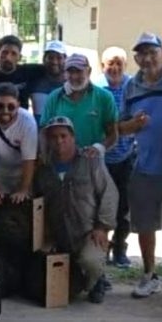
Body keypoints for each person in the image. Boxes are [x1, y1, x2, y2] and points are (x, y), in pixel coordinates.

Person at [119, 32, 162, 298]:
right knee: (145, 225)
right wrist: (131, 126)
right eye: (142, 54)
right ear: (136, 58)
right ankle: (149, 275)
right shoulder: (131, 87)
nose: (147, 59)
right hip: (145, 166)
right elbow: (119, 127)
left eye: (152, 52)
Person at [35, 116, 118, 304]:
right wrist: (43, 235)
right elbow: (37, 204)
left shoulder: (91, 161)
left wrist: (102, 227)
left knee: (90, 261)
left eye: (64, 135)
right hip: (58, 235)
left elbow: (109, 194)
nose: (59, 141)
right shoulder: (44, 169)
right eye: (54, 136)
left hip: (88, 233)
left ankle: (96, 280)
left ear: (73, 137)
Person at [95, 46, 134, 268]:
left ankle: (120, 248)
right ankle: (101, 251)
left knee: (123, 208)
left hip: (126, 156)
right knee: (100, 207)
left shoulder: (132, 87)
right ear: (103, 66)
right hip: (101, 159)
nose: (115, 67)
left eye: (119, 63)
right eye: (111, 63)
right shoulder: (97, 88)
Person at [40, 53, 118, 156]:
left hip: (91, 161)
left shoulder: (104, 97)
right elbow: (44, 131)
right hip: (59, 161)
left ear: (89, 71)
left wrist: (99, 148)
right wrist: (45, 156)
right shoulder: (54, 97)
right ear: (64, 73)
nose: (74, 76)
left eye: (78, 71)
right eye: (70, 71)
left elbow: (113, 134)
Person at [0, 34, 46, 109]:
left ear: (20, 57)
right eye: (5, 52)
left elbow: (53, 67)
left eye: (13, 54)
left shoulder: (27, 72)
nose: (8, 57)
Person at [27, 40, 67, 122]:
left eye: (59, 58)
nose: (54, 62)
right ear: (44, 59)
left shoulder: (72, 85)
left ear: (65, 59)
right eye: (50, 57)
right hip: (39, 133)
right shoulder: (34, 82)